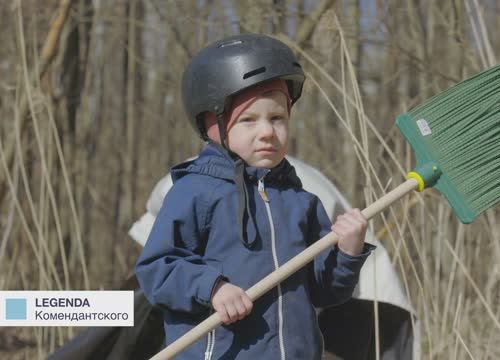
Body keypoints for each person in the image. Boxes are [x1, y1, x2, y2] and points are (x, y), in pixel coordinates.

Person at [135, 33, 375, 360]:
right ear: (212, 124)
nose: (267, 132)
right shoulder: (194, 192)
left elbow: (325, 291)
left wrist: (348, 251)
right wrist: (212, 287)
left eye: (277, 118)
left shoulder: (301, 201)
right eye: (248, 120)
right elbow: (157, 269)